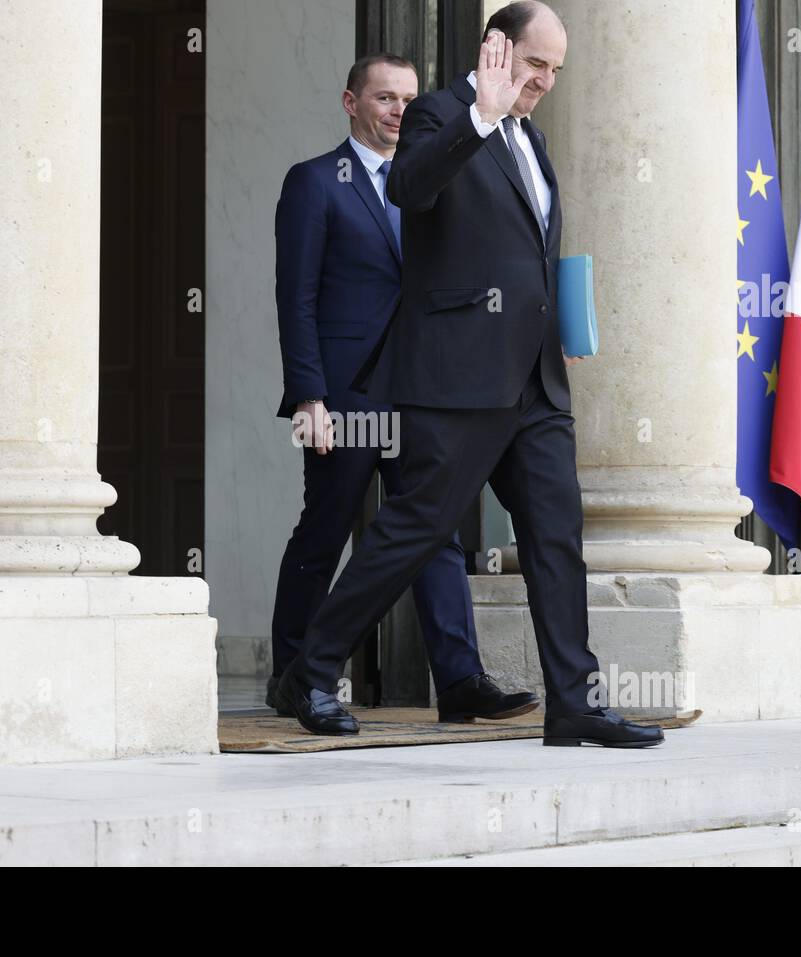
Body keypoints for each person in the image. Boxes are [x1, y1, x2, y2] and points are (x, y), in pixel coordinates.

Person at [275, 2, 664, 748]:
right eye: (535, 65)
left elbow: (527, 253)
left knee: (556, 535)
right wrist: (478, 118)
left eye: (556, 70)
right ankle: (312, 669)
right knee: (416, 530)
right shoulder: (439, 116)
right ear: (496, 50)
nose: (546, 81)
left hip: (536, 380)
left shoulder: (534, 139)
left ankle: (573, 701)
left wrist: (562, 318)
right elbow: (410, 189)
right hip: (455, 378)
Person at [269, 53, 540, 726]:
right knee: (326, 529)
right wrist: (310, 397)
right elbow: (295, 299)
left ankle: (458, 681)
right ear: (350, 102)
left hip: (424, 387)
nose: (398, 110)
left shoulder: (436, 180)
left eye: (408, 99)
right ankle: (295, 675)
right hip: (348, 395)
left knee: (435, 530)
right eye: (384, 98)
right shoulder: (314, 183)